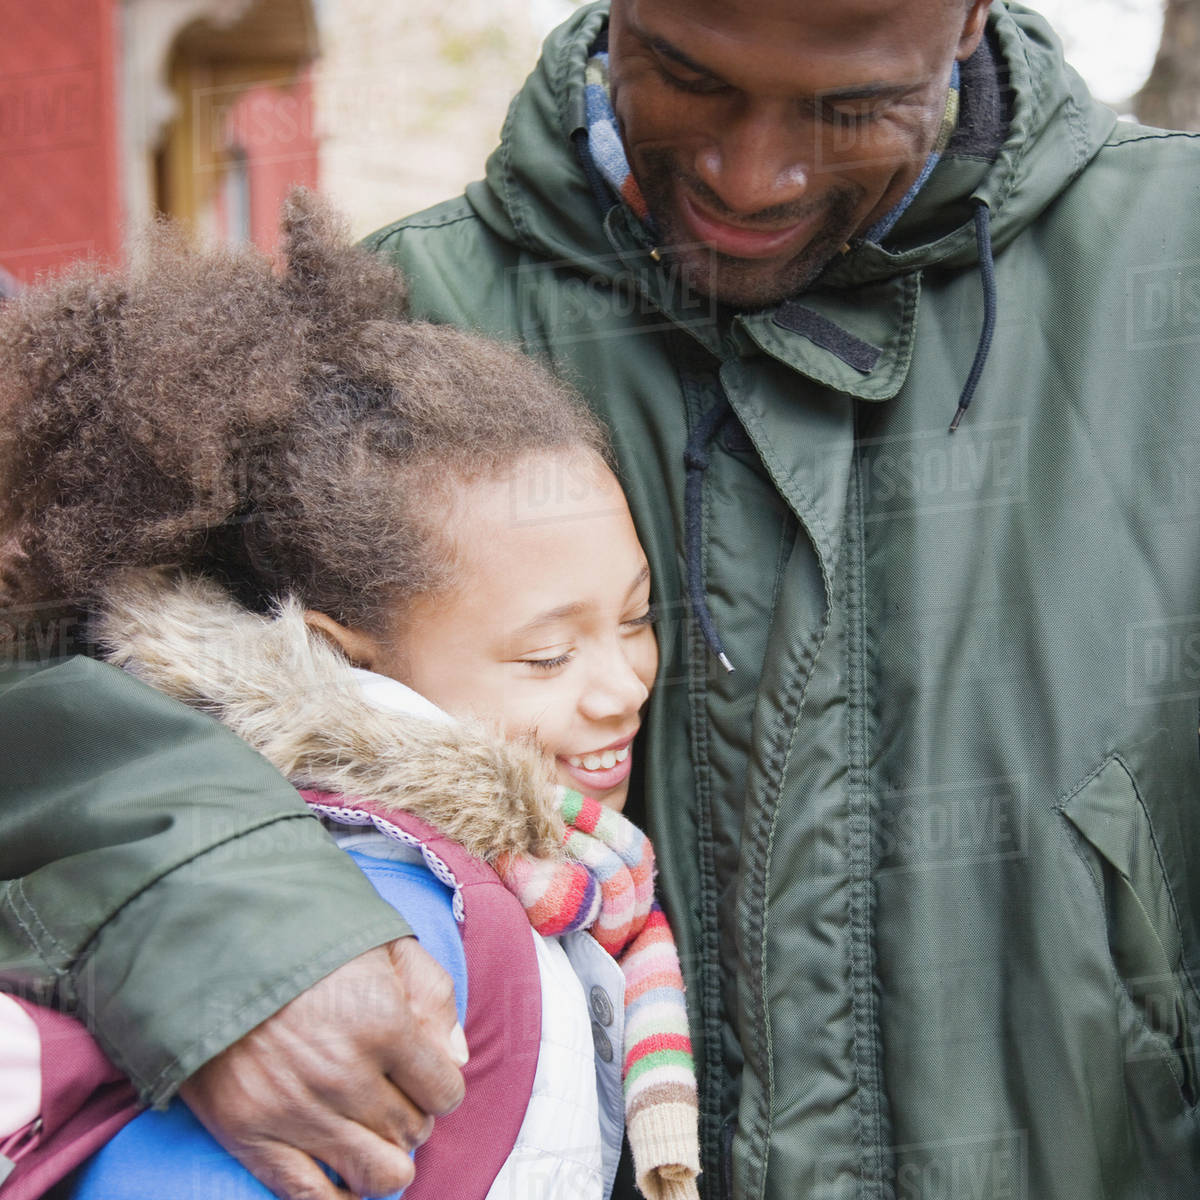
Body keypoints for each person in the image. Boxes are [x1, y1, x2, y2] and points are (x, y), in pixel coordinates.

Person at [6, 0, 1200, 1195]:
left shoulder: (1172, 277)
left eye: (850, 108)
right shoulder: (409, 323)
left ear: (967, 21)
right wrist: (214, 911)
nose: (751, 176)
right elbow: (85, 670)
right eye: (687, 76)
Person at [0, 193, 699, 1200]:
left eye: (634, 618)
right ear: (342, 657)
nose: (623, 684)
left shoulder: (539, 867)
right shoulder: (394, 918)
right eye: (547, 656)